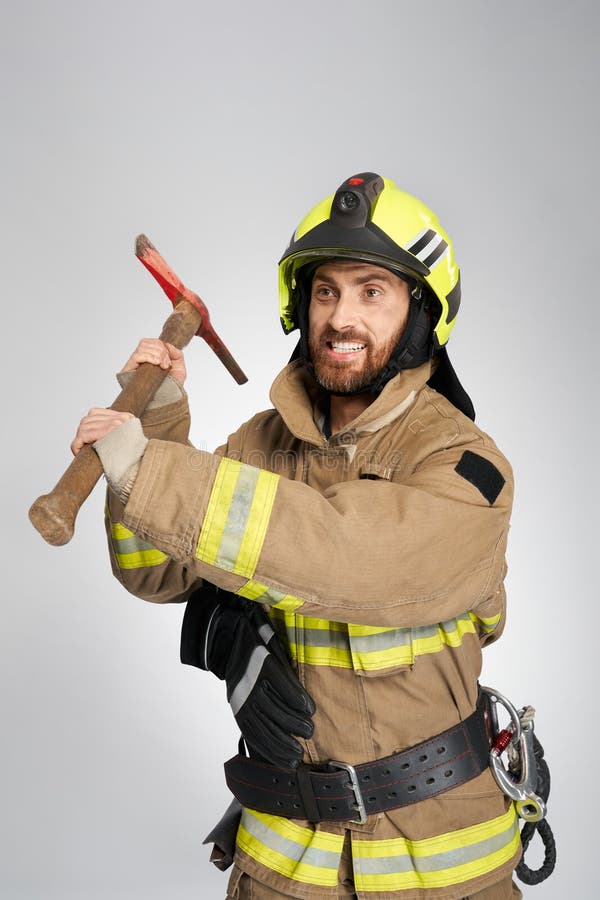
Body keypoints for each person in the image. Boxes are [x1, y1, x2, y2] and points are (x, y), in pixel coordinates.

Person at [72, 173, 522, 899]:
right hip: (283, 866)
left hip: (442, 868)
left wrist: (151, 470)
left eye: (372, 291)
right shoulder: (262, 443)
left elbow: (360, 560)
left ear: (420, 312)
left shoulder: (464, 463)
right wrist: (158, 421)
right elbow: (154, 567)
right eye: (325, 292)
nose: (341, 317)